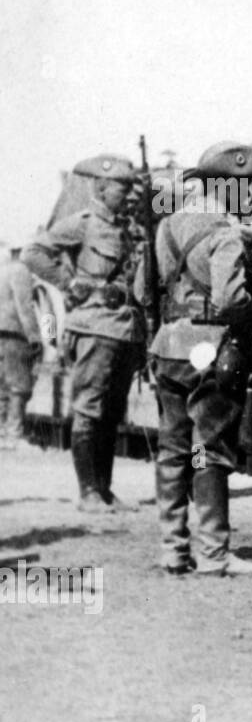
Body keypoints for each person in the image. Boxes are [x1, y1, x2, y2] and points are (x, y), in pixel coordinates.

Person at [141, 142, 252, 576]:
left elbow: (145, 290)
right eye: (246, 186)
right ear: (228, 188)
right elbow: (232, 300)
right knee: (209, 451)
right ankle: (214, 554)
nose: (251, 195)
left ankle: (173, 549)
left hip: (169, 346)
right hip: (212, 350)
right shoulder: (224, 232)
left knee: (173, 449)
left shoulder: (166, 227)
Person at [23, 154, 146, 512]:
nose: (128, 195)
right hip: (93, 326)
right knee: (89, 409)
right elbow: (34, 253)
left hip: (123, 328)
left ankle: (105, 490)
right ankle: (88, 492)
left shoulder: (127, 229)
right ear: (101, 187)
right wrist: (69, 283)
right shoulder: (82, 223)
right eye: (122, 188)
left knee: (111, 412)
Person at [0, 242, 42, 449]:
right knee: (19, 386)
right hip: (14, 333)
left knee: (2, 386)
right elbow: (25, 306)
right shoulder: (20, 271)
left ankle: (2, 432)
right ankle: (14, 435)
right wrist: (36, 338)